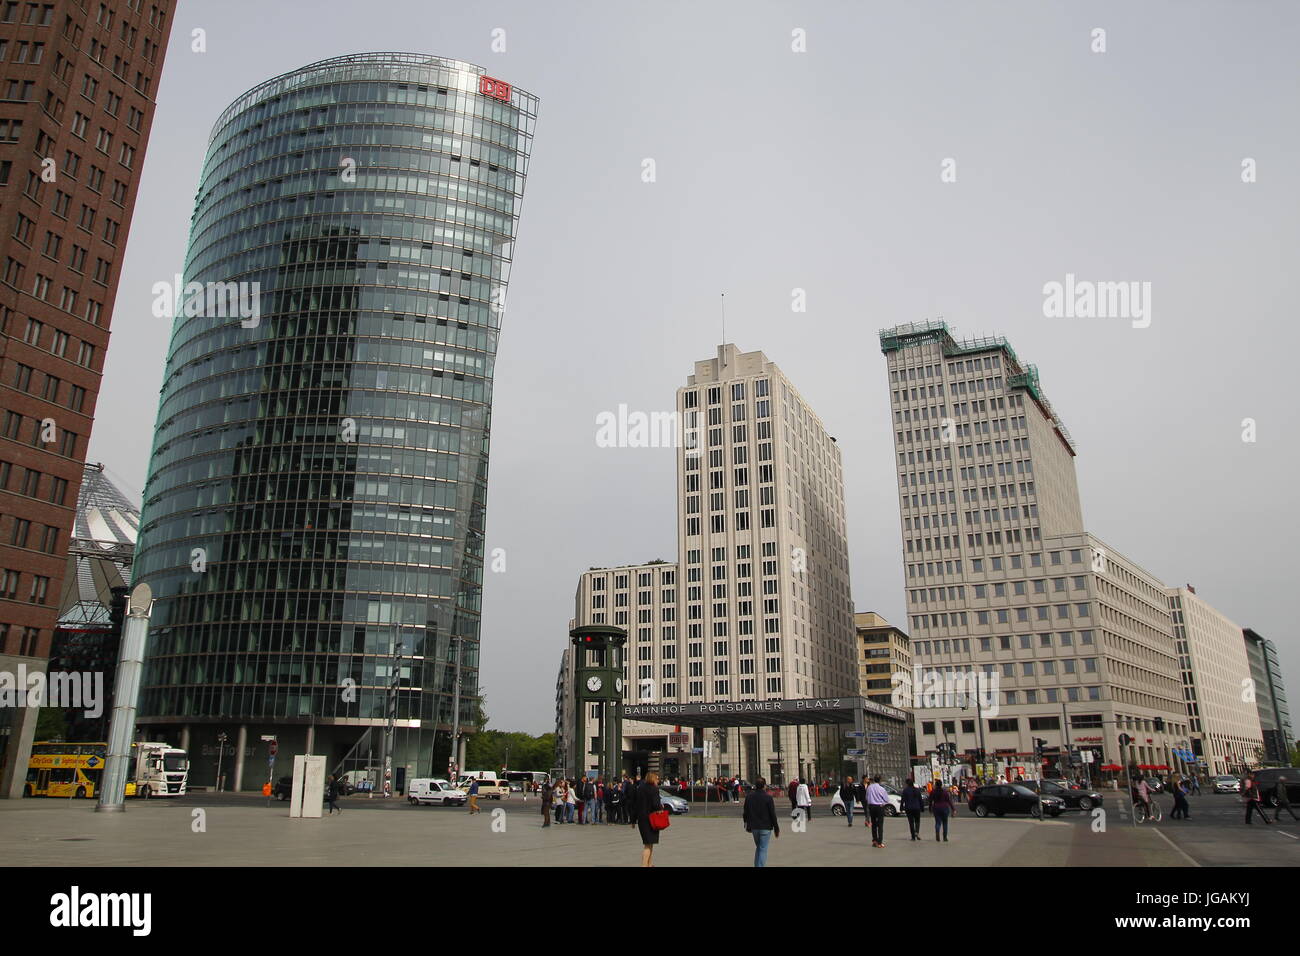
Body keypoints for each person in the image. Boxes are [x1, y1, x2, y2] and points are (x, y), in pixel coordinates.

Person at [743, 775, 780, 867]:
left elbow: (745, 812)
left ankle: (757, 865)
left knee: (759, 847)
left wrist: (746, 824)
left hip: (754, 827)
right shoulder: (768, 798)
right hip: (765, 827)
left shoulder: (749, 797)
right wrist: (776, 828)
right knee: (762, 848)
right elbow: (772, 814)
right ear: (764, 786)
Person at [635, 770, 664, 867]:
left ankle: (649, 864)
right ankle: (644, 865)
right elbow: (656, 804)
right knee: (648, 845)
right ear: (653, 778)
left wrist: (633, 820)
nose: (658, 780)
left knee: (649, 843)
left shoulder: (640, 788)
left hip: (642, 820)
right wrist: (661, 807)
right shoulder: (654, 789)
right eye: (657, 778)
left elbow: (636, 805)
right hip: (651, 820)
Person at [865, 775, 890, 847]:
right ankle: (880, 842)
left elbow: (866, 797)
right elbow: (886, 799)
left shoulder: (869, 787)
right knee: (880, 825)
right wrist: (883, 803)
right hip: (879, 807)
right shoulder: (881, 789)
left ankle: (874, 840)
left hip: (871, 806)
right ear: (880, 780)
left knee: (874, 824)